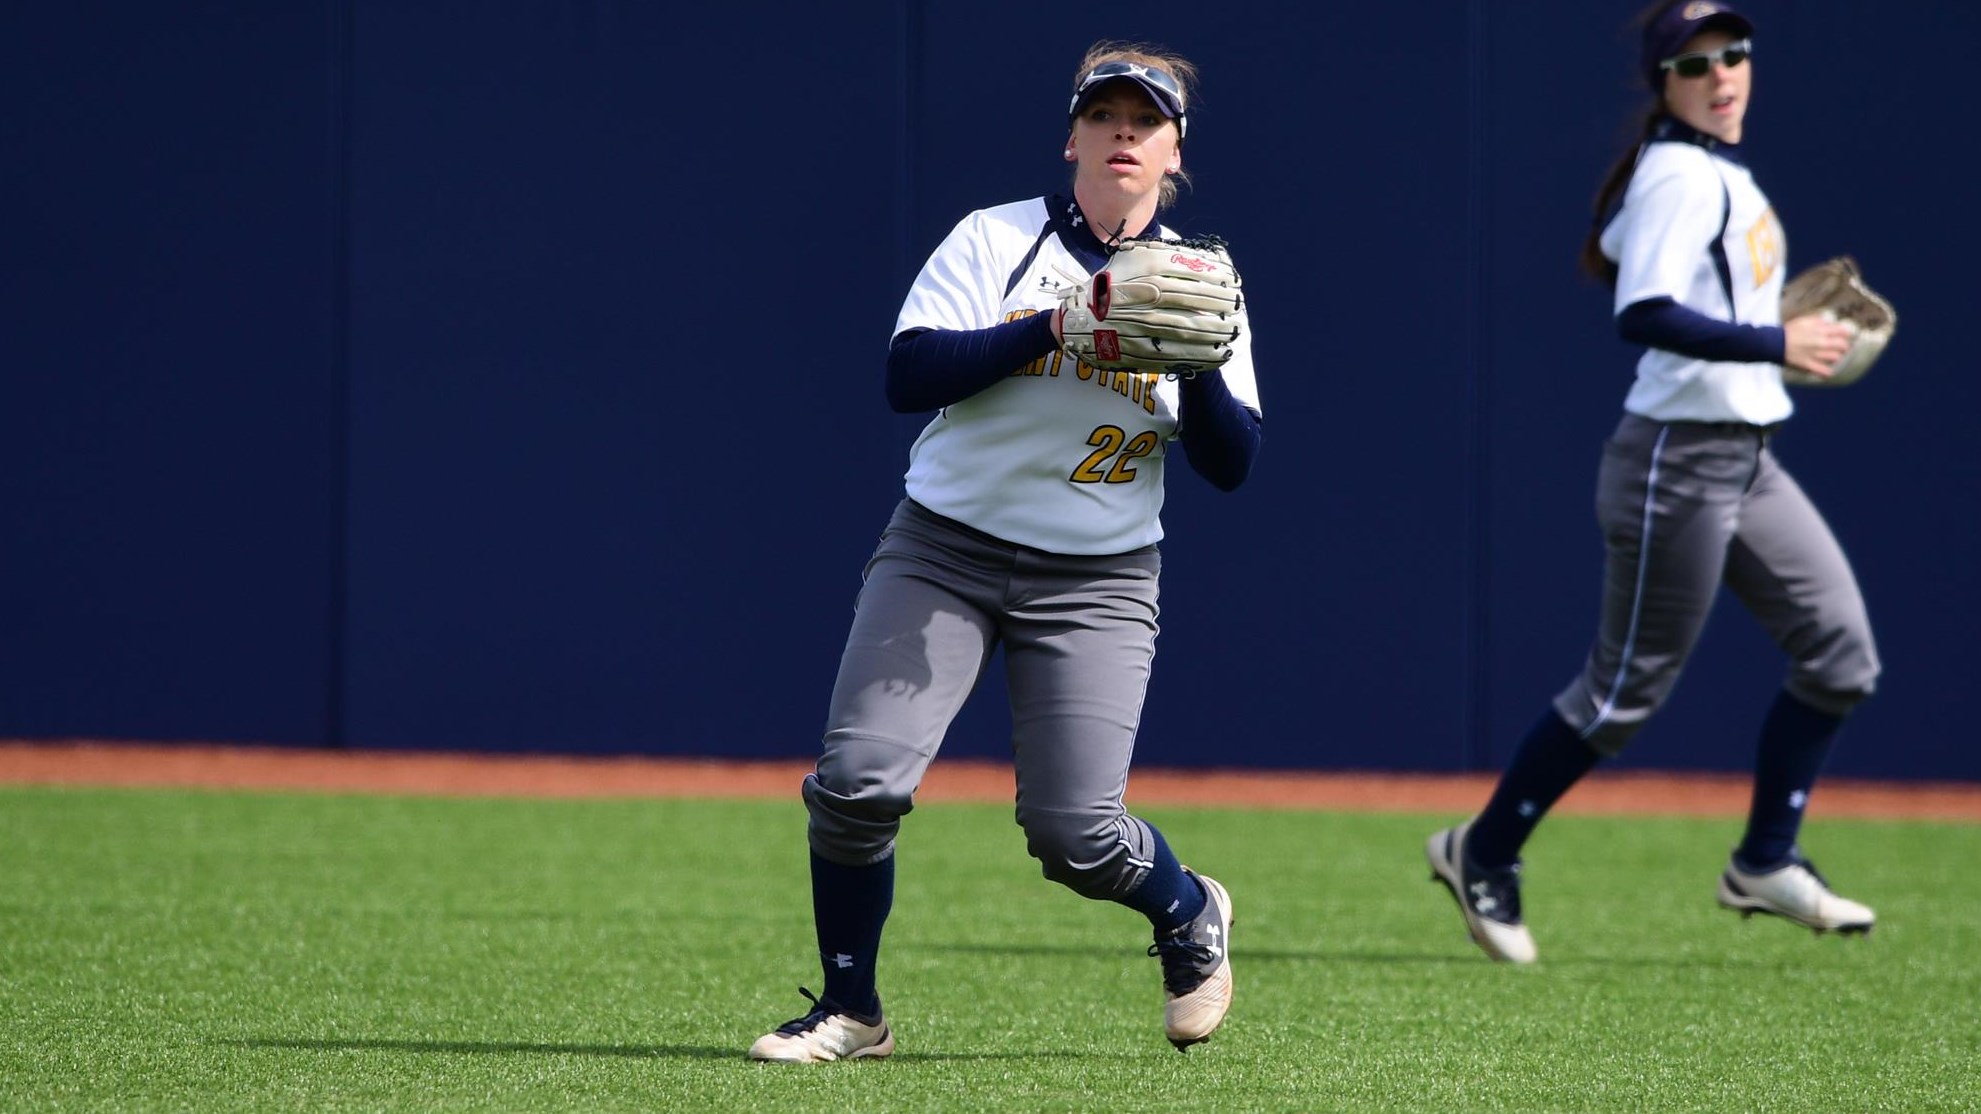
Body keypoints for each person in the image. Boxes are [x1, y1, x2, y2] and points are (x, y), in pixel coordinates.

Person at [748, 41, 1263, 1060]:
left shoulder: (1204, 281)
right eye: (1105, 116)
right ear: (1072, 136)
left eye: (1144, 121)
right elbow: (909, 372)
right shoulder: (996, 240)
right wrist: (1056, 324)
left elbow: (1232, 461)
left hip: (1098, 578)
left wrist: (1198, 369)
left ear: (1173, 151)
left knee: (1074, 834)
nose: (1123, 133)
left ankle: (1188, 910)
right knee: (857, 782)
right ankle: (852, 1010)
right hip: (945, 550)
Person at [1426, 0, 1881, 964]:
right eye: (1696, 62)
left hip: (1747, 457)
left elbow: (1682, 301)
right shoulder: (1678, 173)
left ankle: (1764, 858)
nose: (1722, 74)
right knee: (1620, 693)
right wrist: (1775, 339)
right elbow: (1643, 311)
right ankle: (1482, 849)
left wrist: (1769, 354)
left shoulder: (1711, 172)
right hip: (1675, 461)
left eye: (1735, 54)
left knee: (1840, 655)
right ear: (1664, 81)